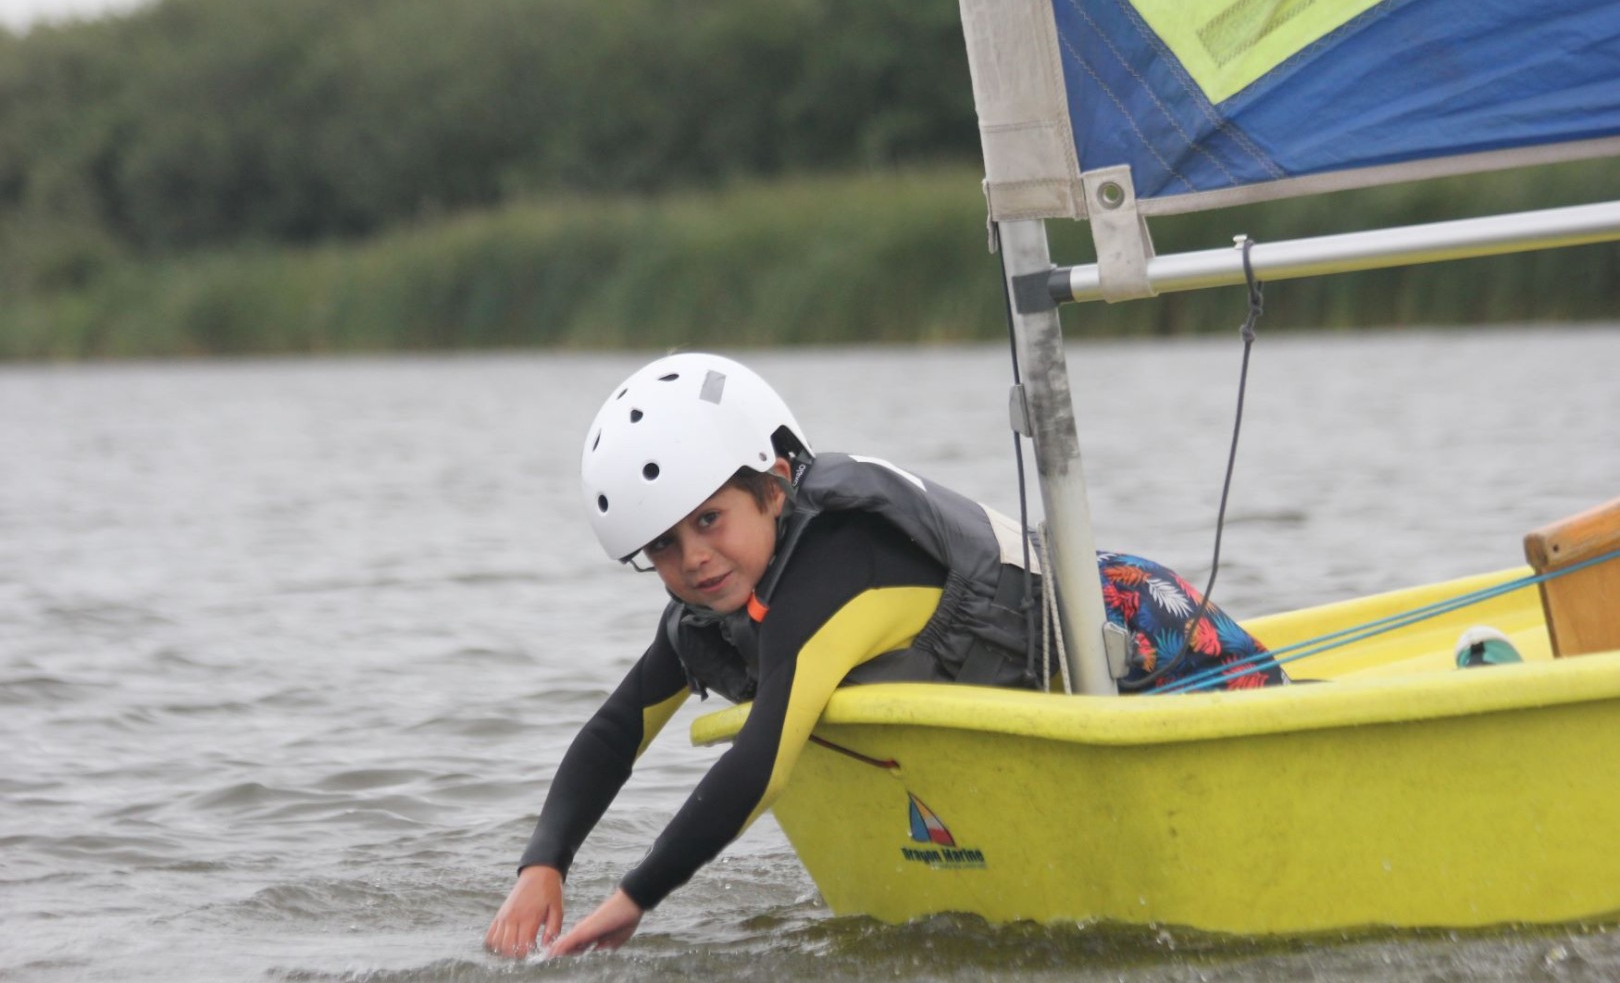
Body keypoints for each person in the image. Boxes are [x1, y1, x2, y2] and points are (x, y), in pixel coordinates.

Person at [484, 352, 1283, 958]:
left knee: (1269, 744)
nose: (693, 558)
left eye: (709, 520)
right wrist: (542, 865)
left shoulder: (840, 559)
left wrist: (633, 897)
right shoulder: (715, 607)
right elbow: (616, 730)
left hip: (1142, 629)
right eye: (663, 545)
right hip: (1064, 692)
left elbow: (761, 760)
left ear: (773, 485)